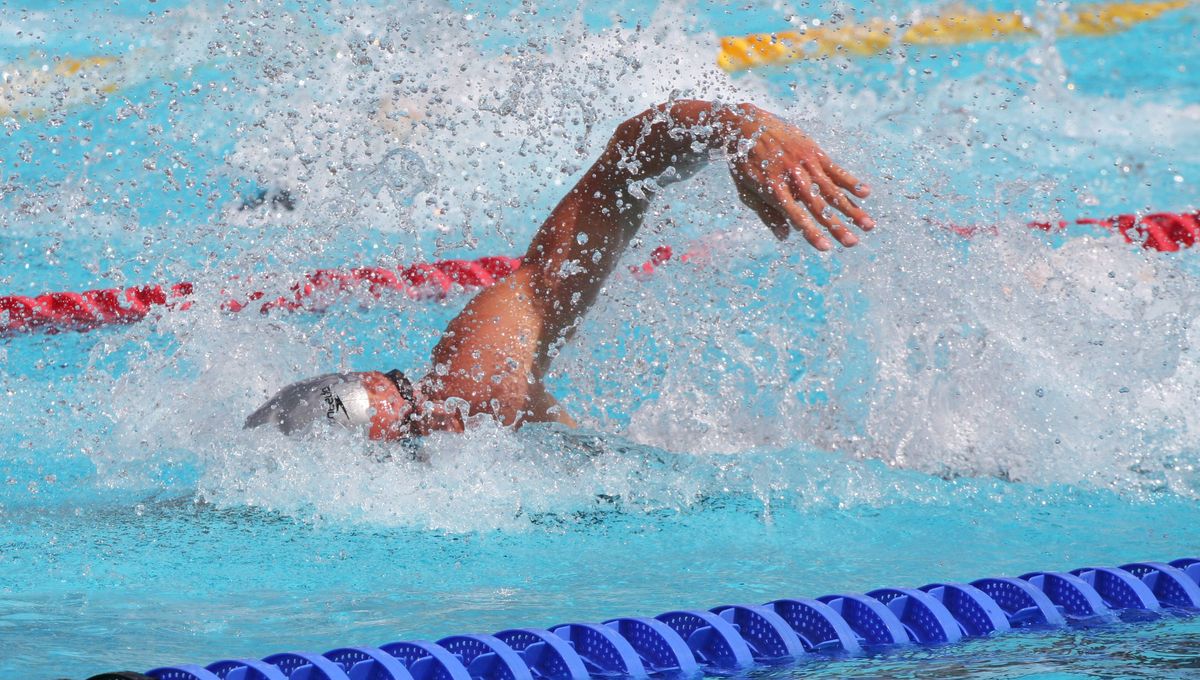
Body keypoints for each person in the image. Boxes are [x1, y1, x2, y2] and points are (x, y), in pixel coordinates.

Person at [245, 99, 874, 440]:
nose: (437, 411)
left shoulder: (477, 381)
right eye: (411, 431)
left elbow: (627, 162)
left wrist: (738, 127)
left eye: (406, 388)